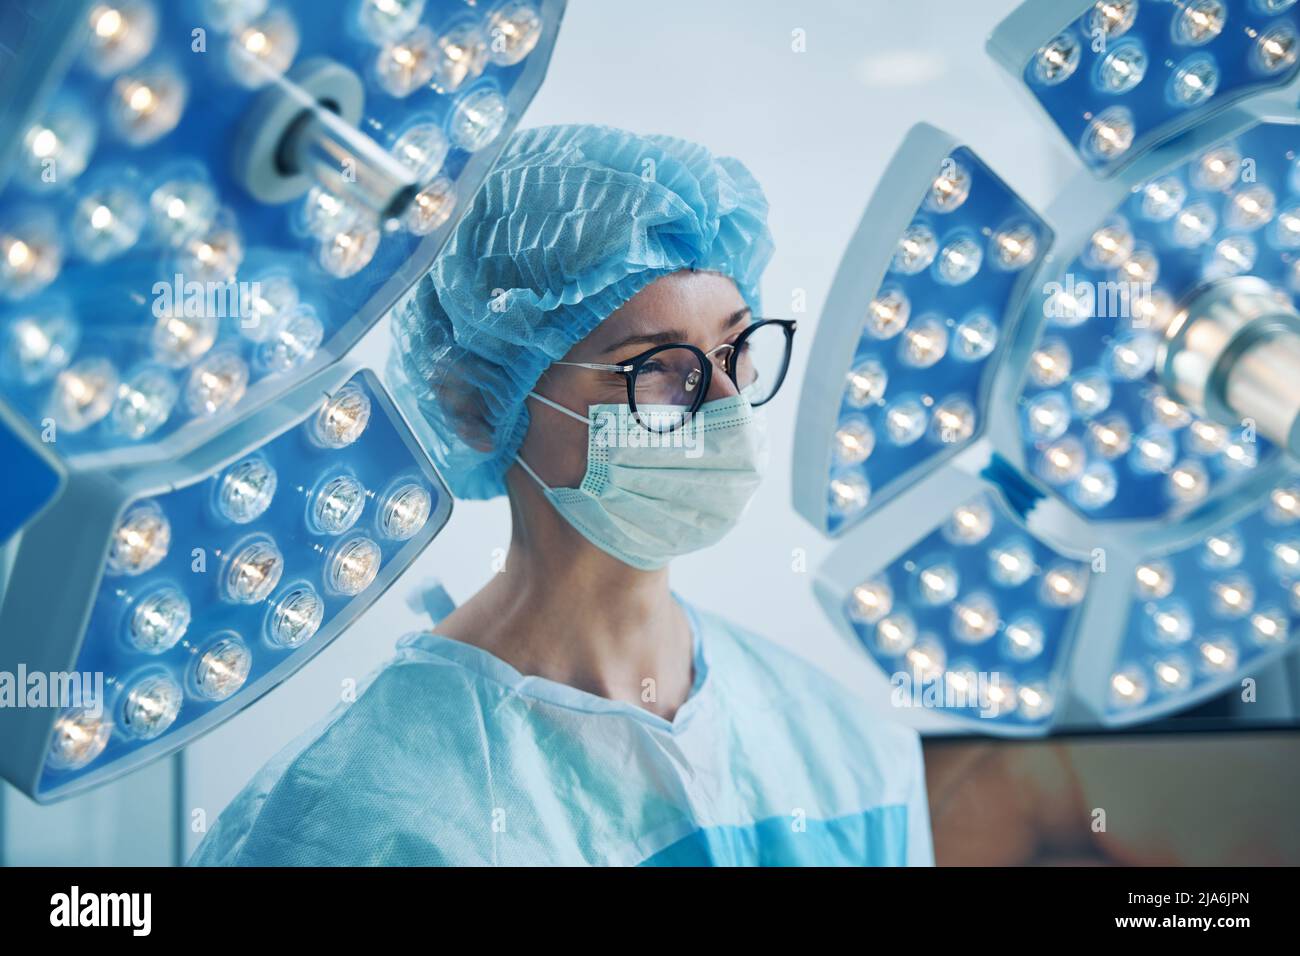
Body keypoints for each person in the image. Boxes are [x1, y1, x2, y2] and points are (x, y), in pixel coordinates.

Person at [191, 124, 932, 866]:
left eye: (735, 348)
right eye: (656, 367)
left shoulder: (842, 749)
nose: (725, 403)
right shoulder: (358, 819)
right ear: (472, 406)